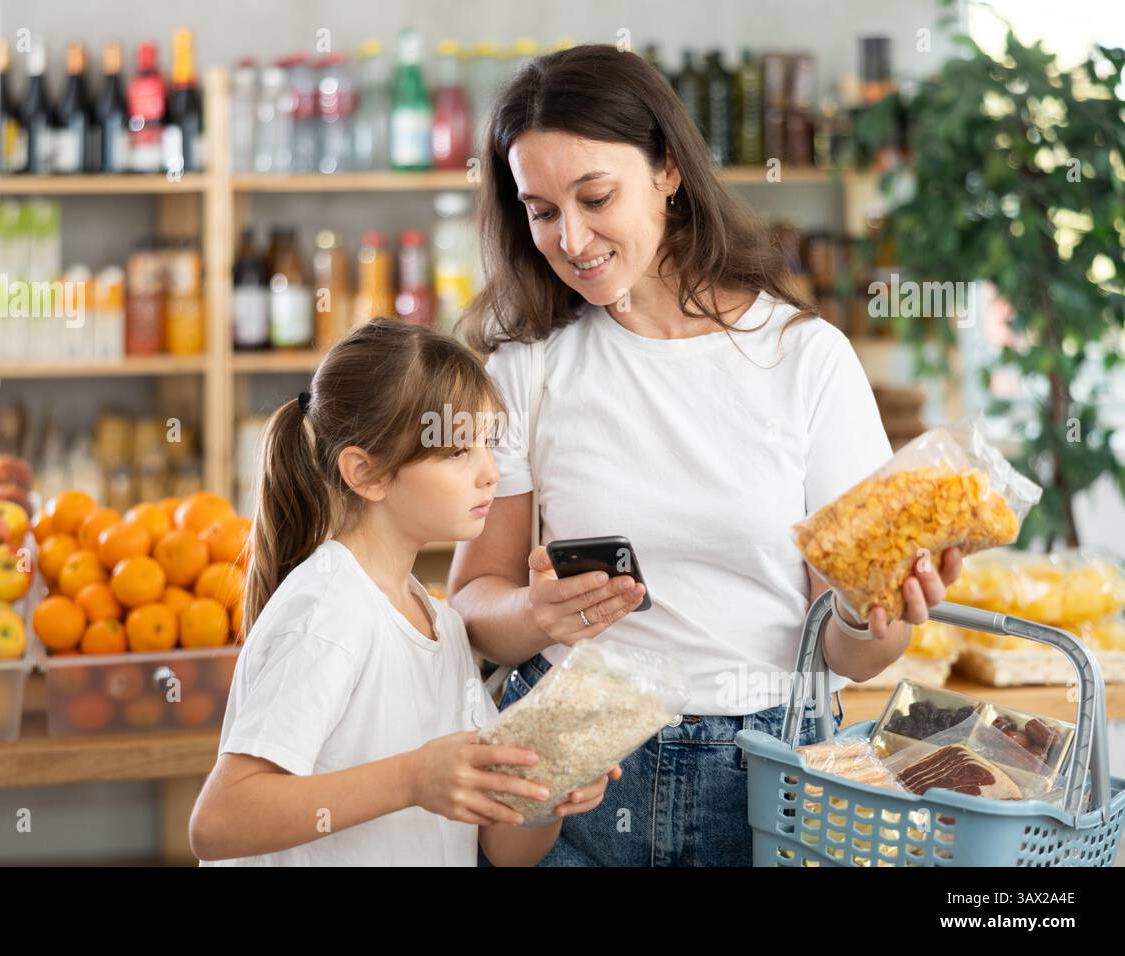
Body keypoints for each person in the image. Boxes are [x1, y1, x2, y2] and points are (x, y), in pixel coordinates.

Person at [448, 44, 961, 867]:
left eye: (595, 196)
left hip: (766, 774)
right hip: (572, 765)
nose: (570, 238)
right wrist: (532, 618)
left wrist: (878, 620)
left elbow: (849, 648)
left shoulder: (804, 358)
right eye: (541, 210)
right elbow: (473, 602)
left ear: (668, 172)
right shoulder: (528, 369)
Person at [189, 318, 619, 866]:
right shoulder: (328, 612)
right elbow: (220, 820)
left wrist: (551, 790)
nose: (490, 473)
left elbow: (508, 850)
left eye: (488, 444)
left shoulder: (442, 625)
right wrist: (411, 779)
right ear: (366, 473)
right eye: (457, 451)